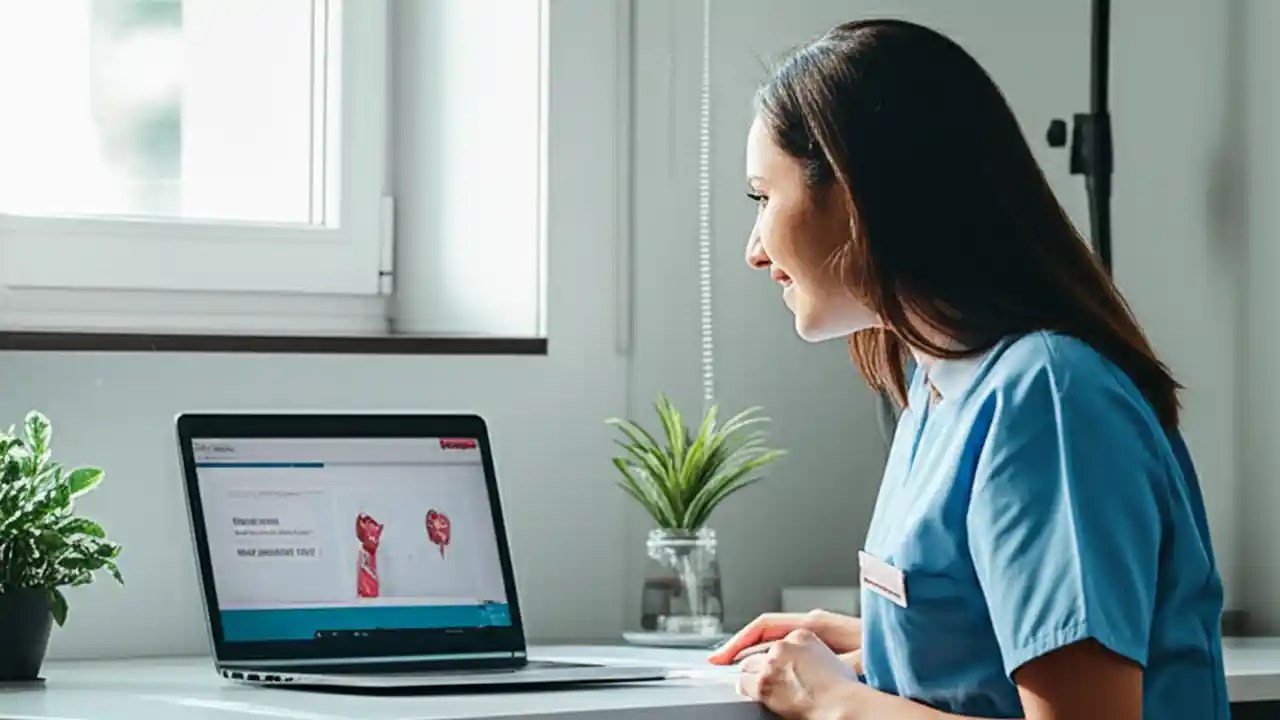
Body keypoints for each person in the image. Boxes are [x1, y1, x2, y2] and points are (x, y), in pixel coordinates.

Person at [706, 18, 1229, 720]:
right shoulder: (935, 388)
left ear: (856, 189)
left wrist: (831, 700)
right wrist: (889, 643)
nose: (755, 250)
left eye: (761, 198)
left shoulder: (1047, 396)